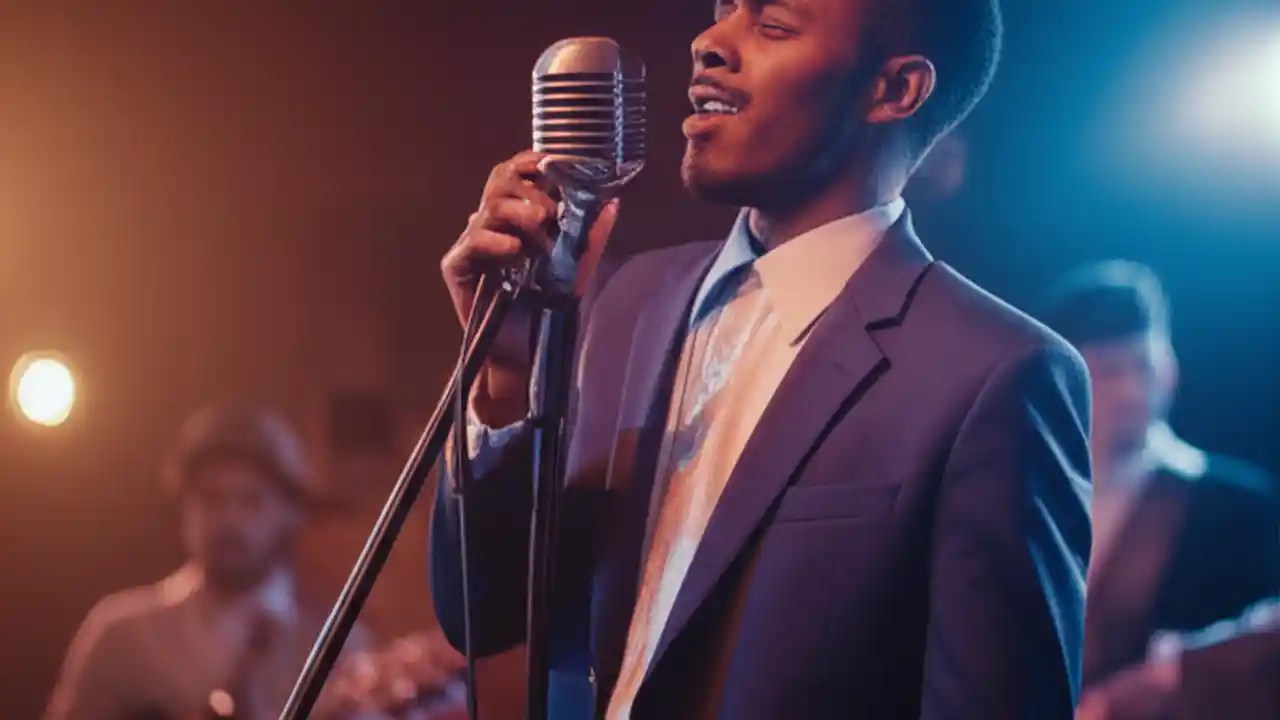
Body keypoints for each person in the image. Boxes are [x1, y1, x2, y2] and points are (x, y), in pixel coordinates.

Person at [432, 0, 1092, 717]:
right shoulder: (624, 303)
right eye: (722, 11)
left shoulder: (997, 376)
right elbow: (487, 614)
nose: (709, 42)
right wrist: (502, 370)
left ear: (895, 90)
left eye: (772, 23)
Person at [43, 405, 458, 720]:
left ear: (290, 512)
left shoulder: (341, 647)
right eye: (212, 498)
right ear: (182, 508)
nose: (230, 519)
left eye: (251, 499)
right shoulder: (120, 634)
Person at [1038, 261, 1280, 720]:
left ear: (1170, 366)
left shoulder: (1237, 507)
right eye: (1110, 370)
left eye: (1144, 366)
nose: (1132, 390)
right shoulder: (1027, 494)